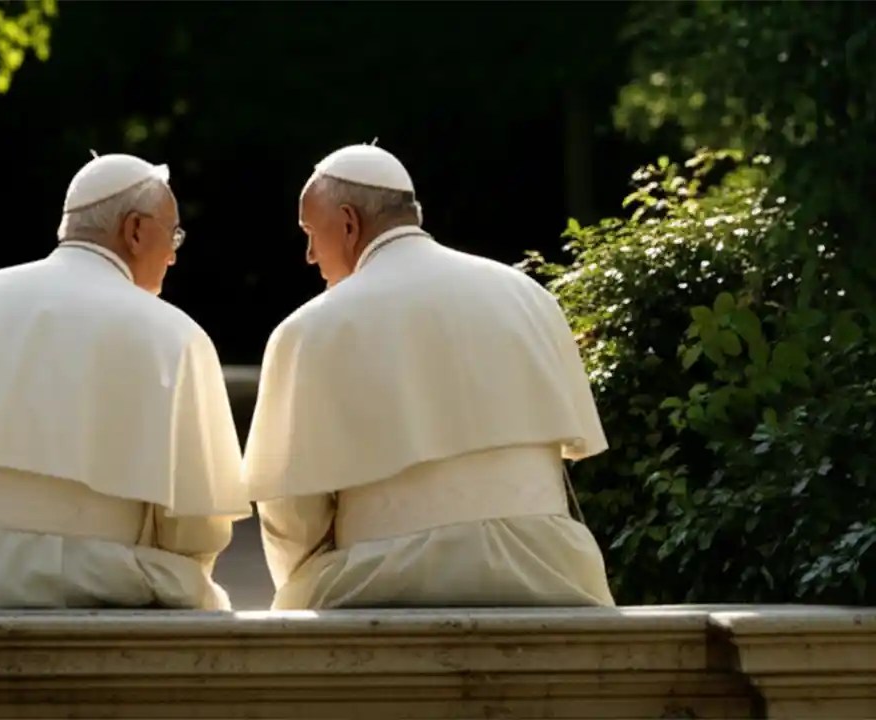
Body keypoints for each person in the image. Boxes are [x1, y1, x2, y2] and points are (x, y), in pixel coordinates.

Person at [242, 143, 615, 610]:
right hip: (554, 566)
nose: (310, 256)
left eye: (311, 234)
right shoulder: (529, 295)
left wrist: (300, 583)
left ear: (349, 223)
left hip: (386, 575)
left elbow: (291, 512)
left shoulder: (309, 328)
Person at [0, 153, 249, 611]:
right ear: (135, 230)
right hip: (104, 586)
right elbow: (197, 527)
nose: (173, 254)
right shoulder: (173, 332)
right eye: (172, 235)